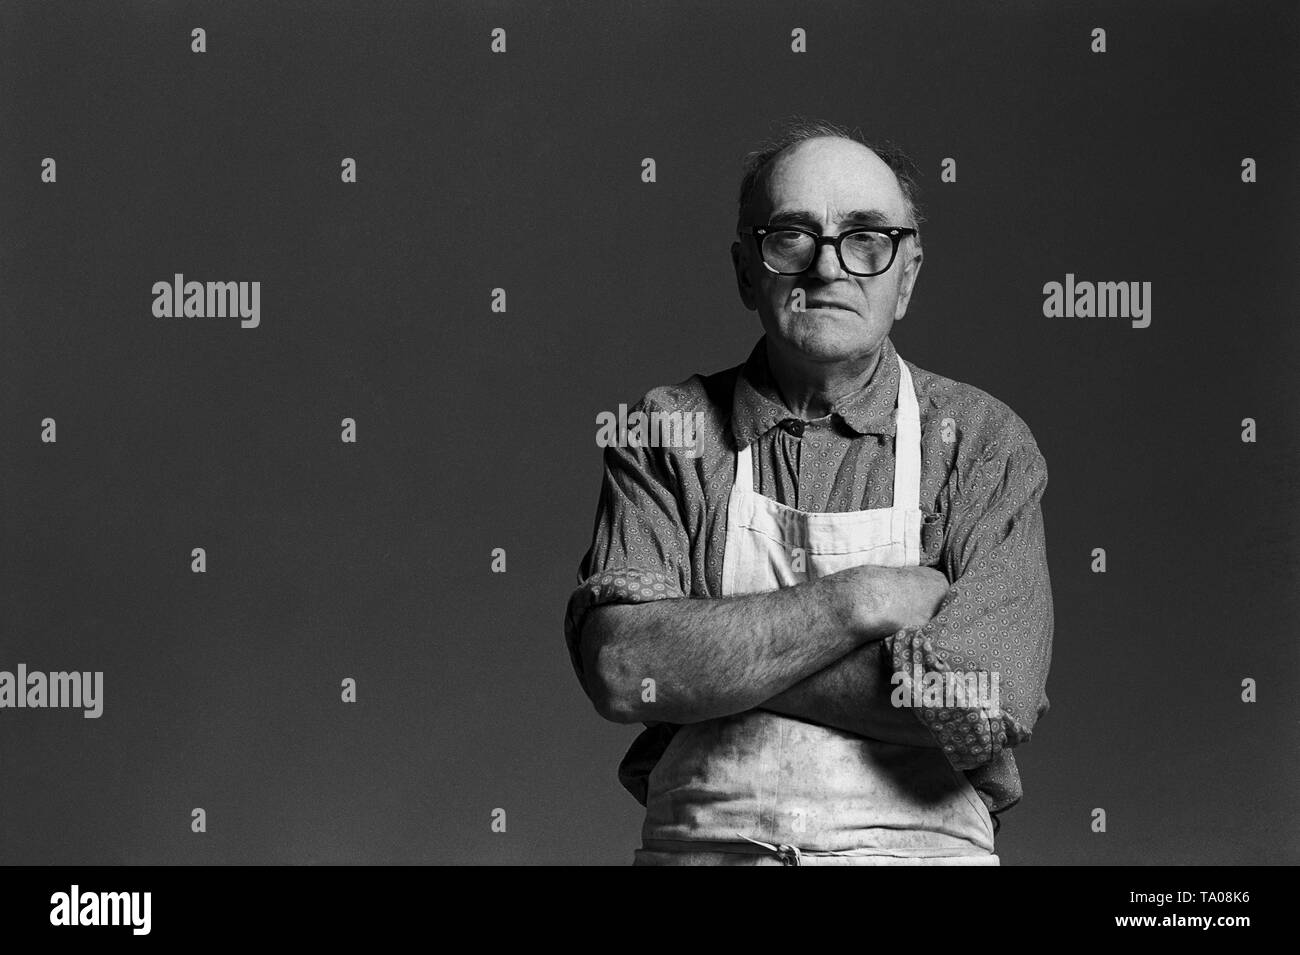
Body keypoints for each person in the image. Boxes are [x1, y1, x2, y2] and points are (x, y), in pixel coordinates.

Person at [564, 120, 1054, 866]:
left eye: (866, 237)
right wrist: (857, 602)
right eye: (792, 234)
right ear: (744, 270)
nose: (829, 268)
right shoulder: (664, 429)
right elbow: (624, 668)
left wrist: (717, 666)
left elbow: (984, 698)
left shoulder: (984, 443)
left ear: (909, 272)